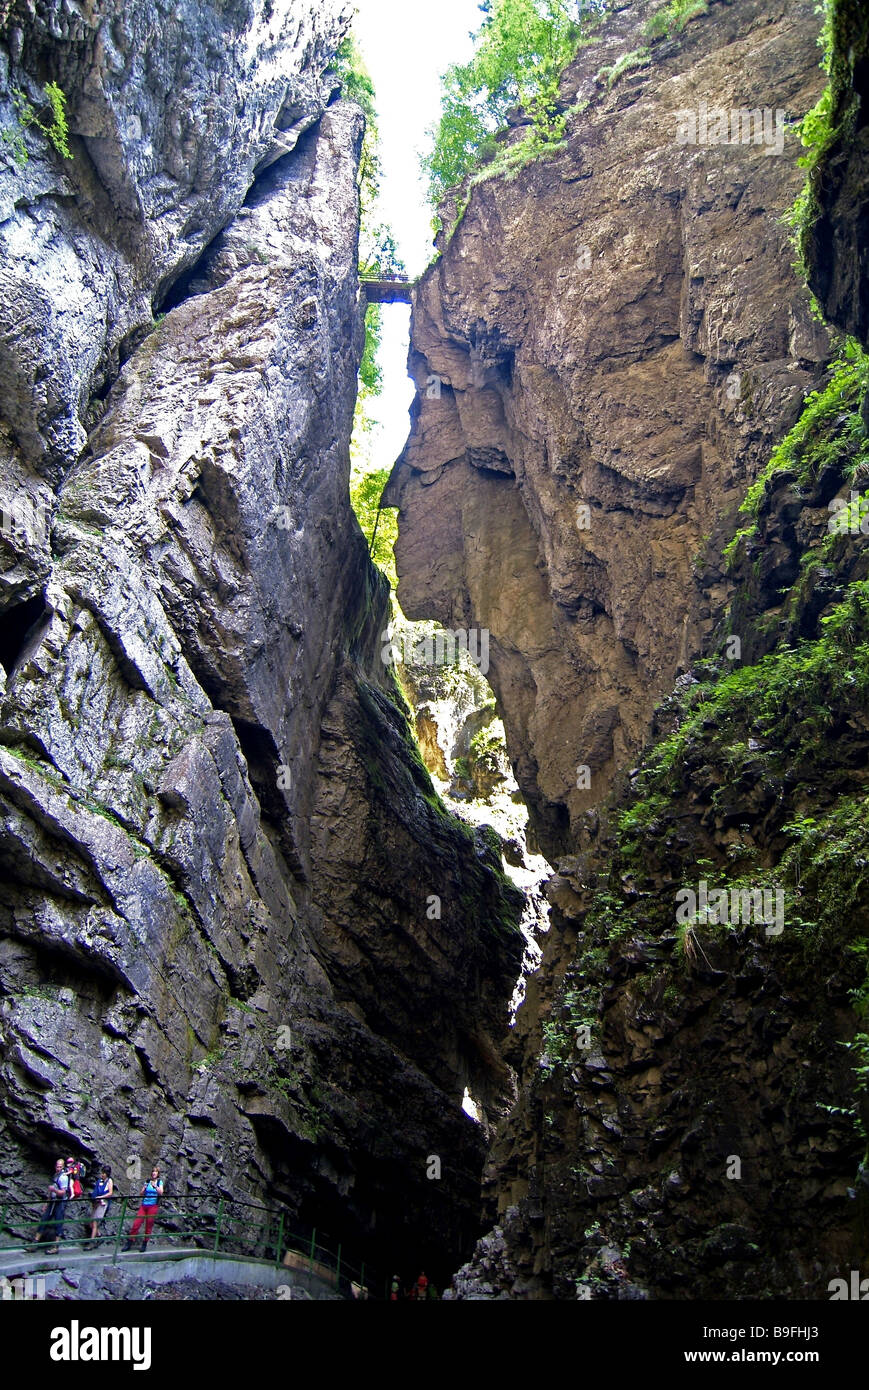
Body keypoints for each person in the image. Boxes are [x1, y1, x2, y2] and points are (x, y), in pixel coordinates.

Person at [123, 1166, 163, 1252]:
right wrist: (144, 1188)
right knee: (136, 1224)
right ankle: (130, 1242)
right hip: (144, 1205)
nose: (154, 1173)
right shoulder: (148, 1181)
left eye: (155, 1171)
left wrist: (155, 1186)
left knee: (148, 1225)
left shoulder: (159, 1182)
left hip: (152, 1206)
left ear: (158, 1173)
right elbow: (141, 1193)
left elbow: (161, 1193)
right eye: (153, 1171)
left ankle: (145, 1243)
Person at [36, 1158, 71, 1251]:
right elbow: (51, 1192)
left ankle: (56, 1246)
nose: (58, 1168)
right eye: (57, 1166)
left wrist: (54, 1190)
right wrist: (46, 1204)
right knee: (44, 1219)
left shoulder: (63, 1177)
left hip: (60, 1203)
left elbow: (63, 1192)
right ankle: (35, 1242)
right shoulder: (55, 1175)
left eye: (60, 1167)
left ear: (63, 1167)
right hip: (53, 1201)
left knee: (58, 1223)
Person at [88, 1166, 113, 1242]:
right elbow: (95, 1191)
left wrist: (101, 1197)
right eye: (102, 1173)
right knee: (91, 1223)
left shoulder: (109, 1181)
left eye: (104, 1173)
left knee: (95, 1222)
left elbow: (110, 1193)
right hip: (96, 1202)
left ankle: (91, 1241)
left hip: (103, 1203)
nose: (102, 1174)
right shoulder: (99, 1181)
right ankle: (99, 1236)